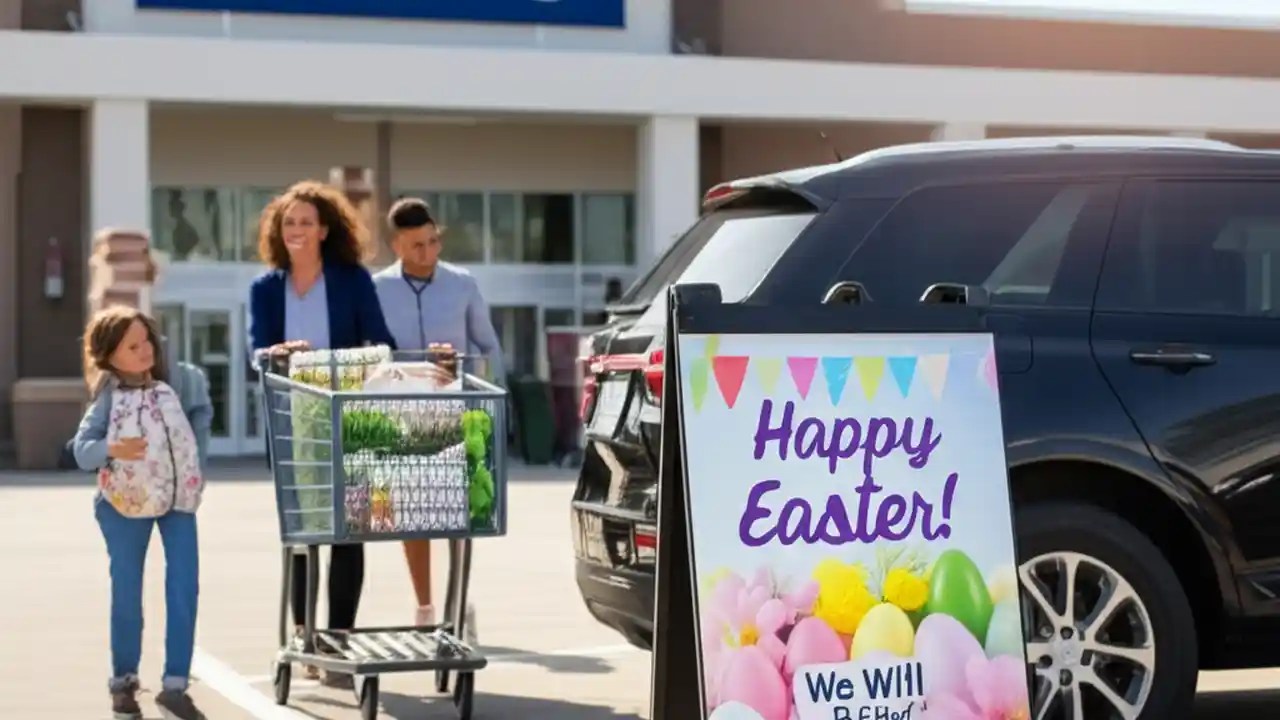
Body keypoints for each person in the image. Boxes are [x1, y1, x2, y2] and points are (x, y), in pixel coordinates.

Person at [247, 180, 397, 687]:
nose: (297, 230)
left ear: (324, 229)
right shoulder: (266, 289)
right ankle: (304, 637)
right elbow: (257, 354)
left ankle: (339, 638)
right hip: (293, 430)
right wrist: (275, 355)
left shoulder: (353, 280)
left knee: (349, 536)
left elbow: (382, 342)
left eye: (306, 222)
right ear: (278, 230)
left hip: (347, 422)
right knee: (301, 537)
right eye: (289, 222)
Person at [72, 306, 213, 720]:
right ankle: (124, 680)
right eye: (132, 346)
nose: (145, 350)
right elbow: (81, 452)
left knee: (184, 585)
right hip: (124, 506)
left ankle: (174, 685)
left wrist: (196, 471)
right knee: (127, 590)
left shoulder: (171, 389)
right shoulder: (107, 401)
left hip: (177, 503)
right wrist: (112, 449)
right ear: (109, 356)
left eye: (146, 340)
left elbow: (196, 424)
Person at [373, 197, 503, 641]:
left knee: (459, 517)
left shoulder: (463, 285)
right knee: (414, 517)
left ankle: (457, 598)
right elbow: (374, 357)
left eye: (432, 242)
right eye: (415, 246)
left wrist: (463, 365)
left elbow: (489, 349)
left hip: (460, 416)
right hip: (405, 419)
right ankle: (426, 605)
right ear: (396, 245)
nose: (426, 253)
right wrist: (408, 366)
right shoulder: (378, 290)